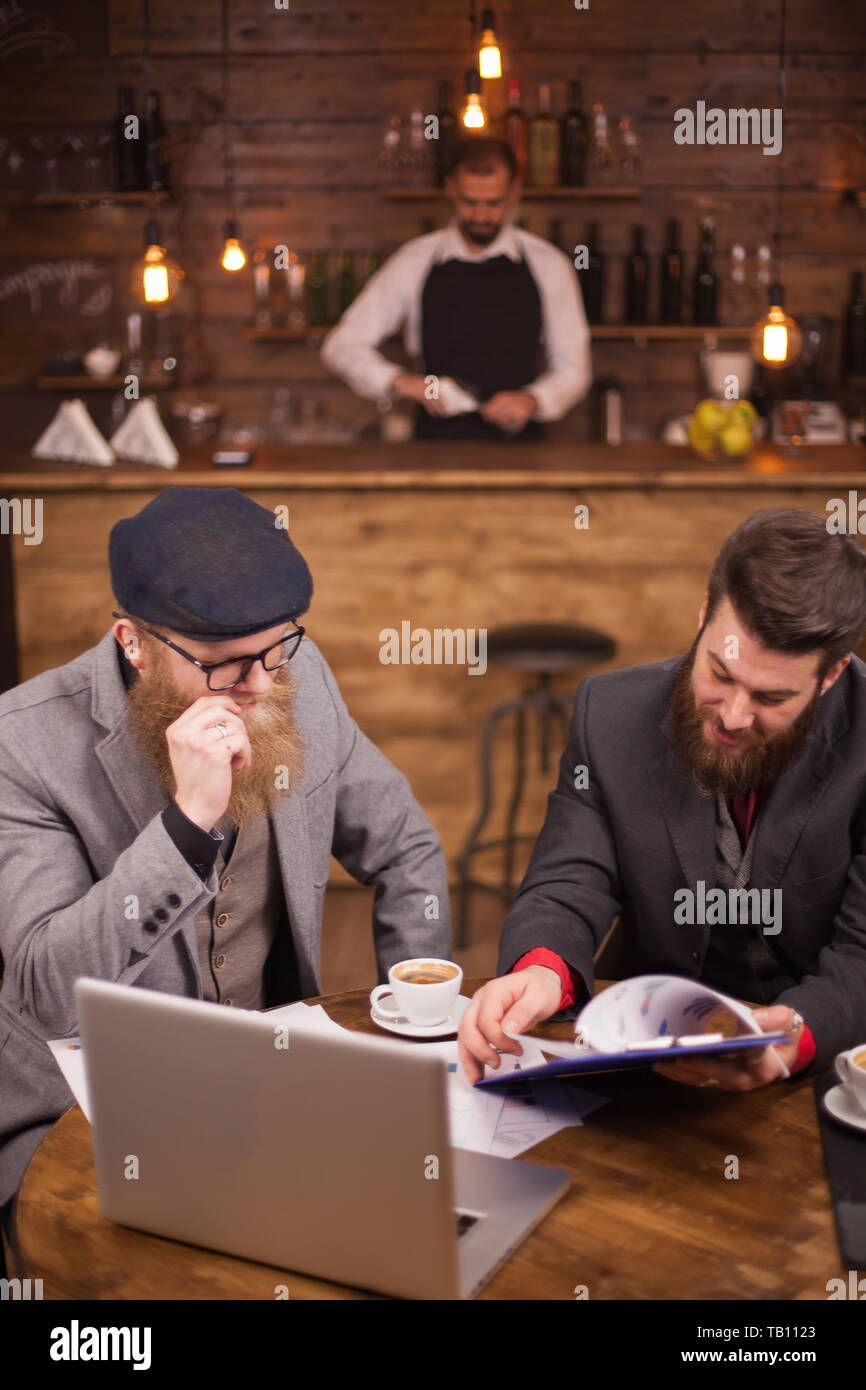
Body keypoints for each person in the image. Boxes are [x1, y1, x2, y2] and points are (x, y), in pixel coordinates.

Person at [0, 486, 450, 1226]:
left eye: (279, 650)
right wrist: (185, 825)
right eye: (227, 667)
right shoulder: (25, 745)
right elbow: (47, 992)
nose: (262, 687)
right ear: (134, 644)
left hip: (265, 1083)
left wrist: (415, 1032)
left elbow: (406, 847)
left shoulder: (289, 685)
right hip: (86, 1108)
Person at [458, 508, 866, 1089]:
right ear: (703, 616)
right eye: (720, 673)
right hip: (644, 1055)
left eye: (772, 696)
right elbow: (570, 878)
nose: (733, 716)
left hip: (828, 1061)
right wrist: (542, 970)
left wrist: (792, 1039)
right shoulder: (610, 714)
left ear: (830, 676)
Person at [320, 137, 591, 440]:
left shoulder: (550, 264)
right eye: (469, 202)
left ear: (514, 191)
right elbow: (341, 345)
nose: (480, 216)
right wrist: (401, 382)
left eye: (493, 203)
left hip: (523, 450)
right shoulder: (414, 260)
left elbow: (574, 366)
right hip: (434, 449)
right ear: (450, 188)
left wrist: (533, 399)